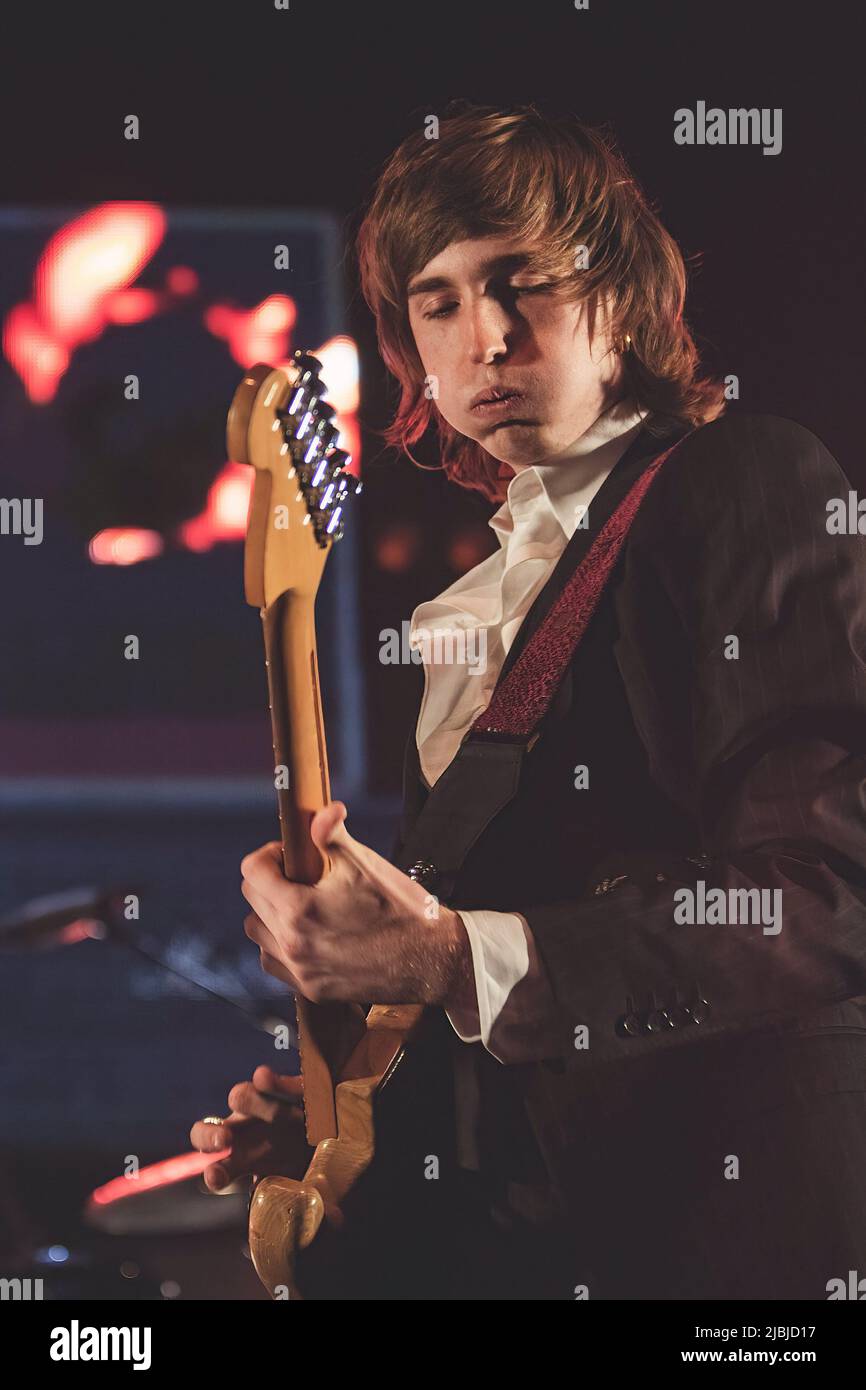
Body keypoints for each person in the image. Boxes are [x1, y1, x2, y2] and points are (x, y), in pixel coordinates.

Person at [192, 103, 866, 1300]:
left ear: (621, 302)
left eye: (522, 284)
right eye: (436, 301)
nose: (485, 336)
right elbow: (504, 975)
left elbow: (824, 900)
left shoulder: (739, 479)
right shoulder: (473, 604)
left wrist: (453, 955)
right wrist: (352, 1117)